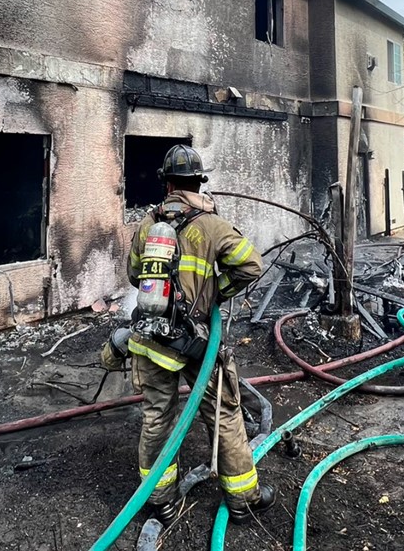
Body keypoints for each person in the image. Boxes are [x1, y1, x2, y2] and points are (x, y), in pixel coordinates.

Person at [101, 144, 277, 527]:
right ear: (199, 182)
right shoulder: (213, 225)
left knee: (157, 418)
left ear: (166, 185)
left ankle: (160, 501)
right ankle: (244, 499)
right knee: (224, 413)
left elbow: (135, 276)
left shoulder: (150, 224)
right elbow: (252, 265)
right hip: (197, 340)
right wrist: (216, 289)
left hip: (150, 338)